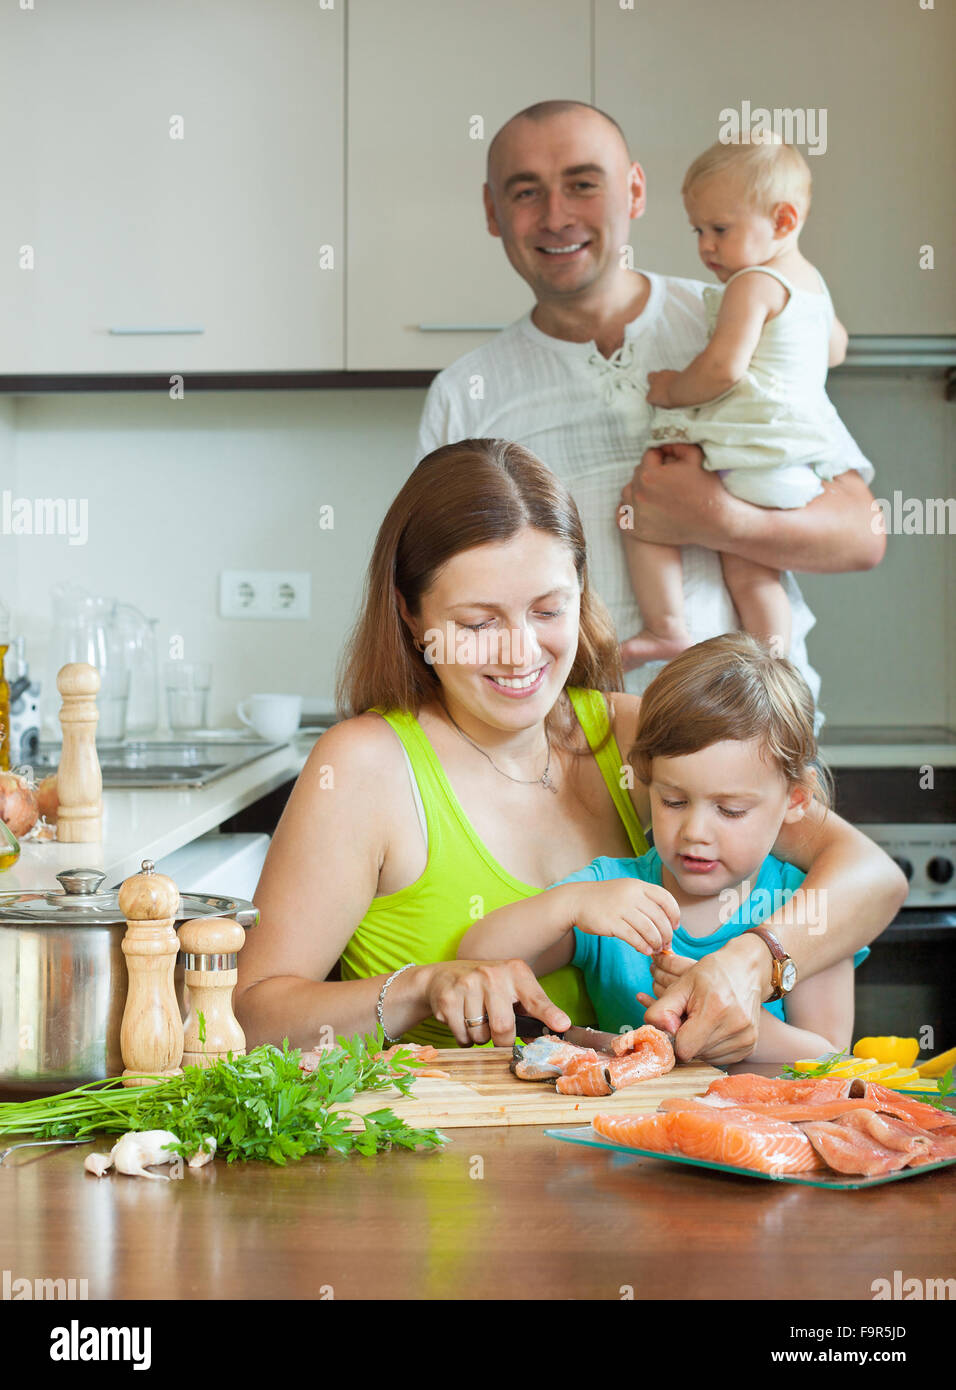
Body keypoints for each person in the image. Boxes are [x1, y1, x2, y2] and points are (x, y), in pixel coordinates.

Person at [235, 440, 905, 1064]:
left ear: (582, 591)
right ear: (412, 617)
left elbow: (872, 876)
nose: (520, 651)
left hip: (628, 1162)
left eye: (549, 610)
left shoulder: (634, 736)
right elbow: (249, 1019)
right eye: (477, 622)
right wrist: (419, 989)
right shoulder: (363, 768)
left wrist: (750, 964)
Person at [416, 100, 884, 704]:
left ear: (634, 191)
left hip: (752, 755)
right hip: (560, 760)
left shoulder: (738, 320)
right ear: (492, 211)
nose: (557, 216)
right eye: (526, 192)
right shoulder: (462, 396)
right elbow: (444, 602)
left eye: (582, 185)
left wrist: (716, 519)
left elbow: (862, 533)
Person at [460, 633, 865, 1062]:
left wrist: (728, 1010)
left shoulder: (807, 909)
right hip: (623, 1124)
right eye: (673, 801)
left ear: (795, 800)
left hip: (766, 1127)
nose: (695, 831)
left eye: (729, 810)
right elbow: (476, 958)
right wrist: (570, 904)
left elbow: (831, 1063)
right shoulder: (613, 894)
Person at [622, 140, 864, 666]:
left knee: (640, 511)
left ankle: (665, 628)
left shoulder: (752, 284)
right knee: (755, 575)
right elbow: (837, 349)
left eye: (720, 229)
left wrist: (670, 388)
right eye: (699, 231)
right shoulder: (812, 287)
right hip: (797, 465)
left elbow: (722, 369)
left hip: (748, 454)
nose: (706, 246)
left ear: (782, 220)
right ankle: (774, 663)